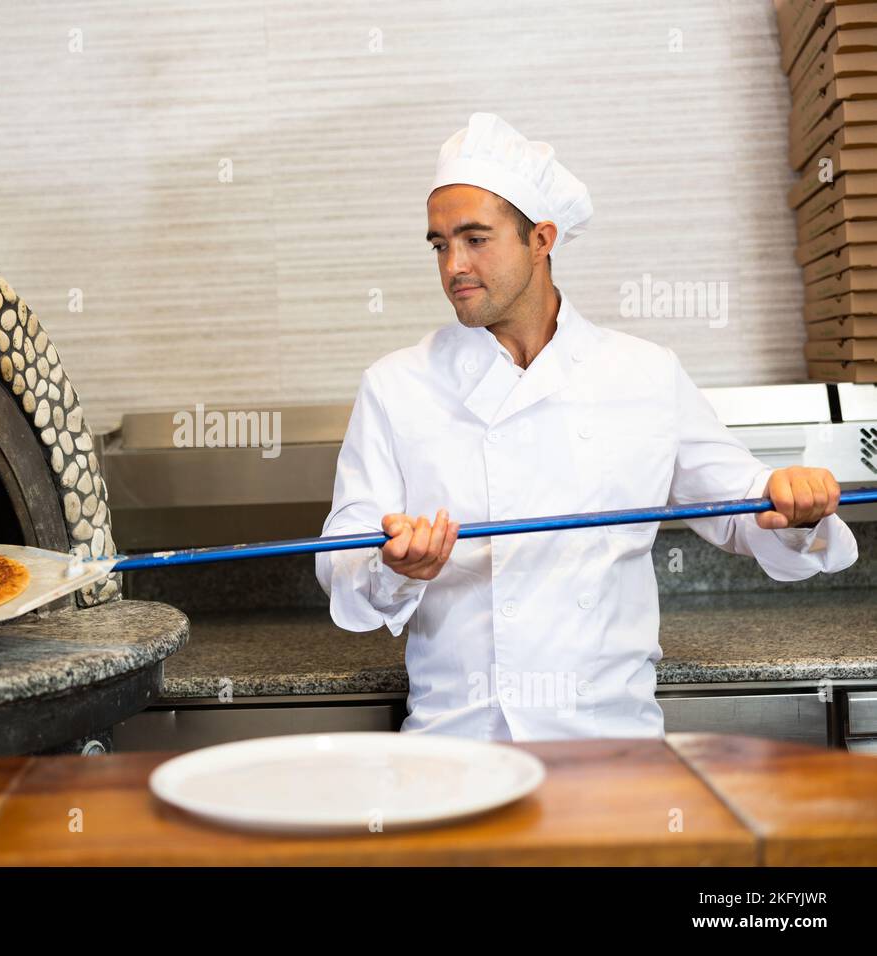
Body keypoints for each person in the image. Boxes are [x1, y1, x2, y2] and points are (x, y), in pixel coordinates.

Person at [315, 112, 859, 741]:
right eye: (440, 244)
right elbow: (342, 562)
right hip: (456, 742)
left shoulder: (644, 374)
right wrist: (393, 566)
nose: (453, 267)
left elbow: (744, 509)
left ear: (541, 238)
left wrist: (795, 505)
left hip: (611, 741)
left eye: (475, 239)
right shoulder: (395, 385)